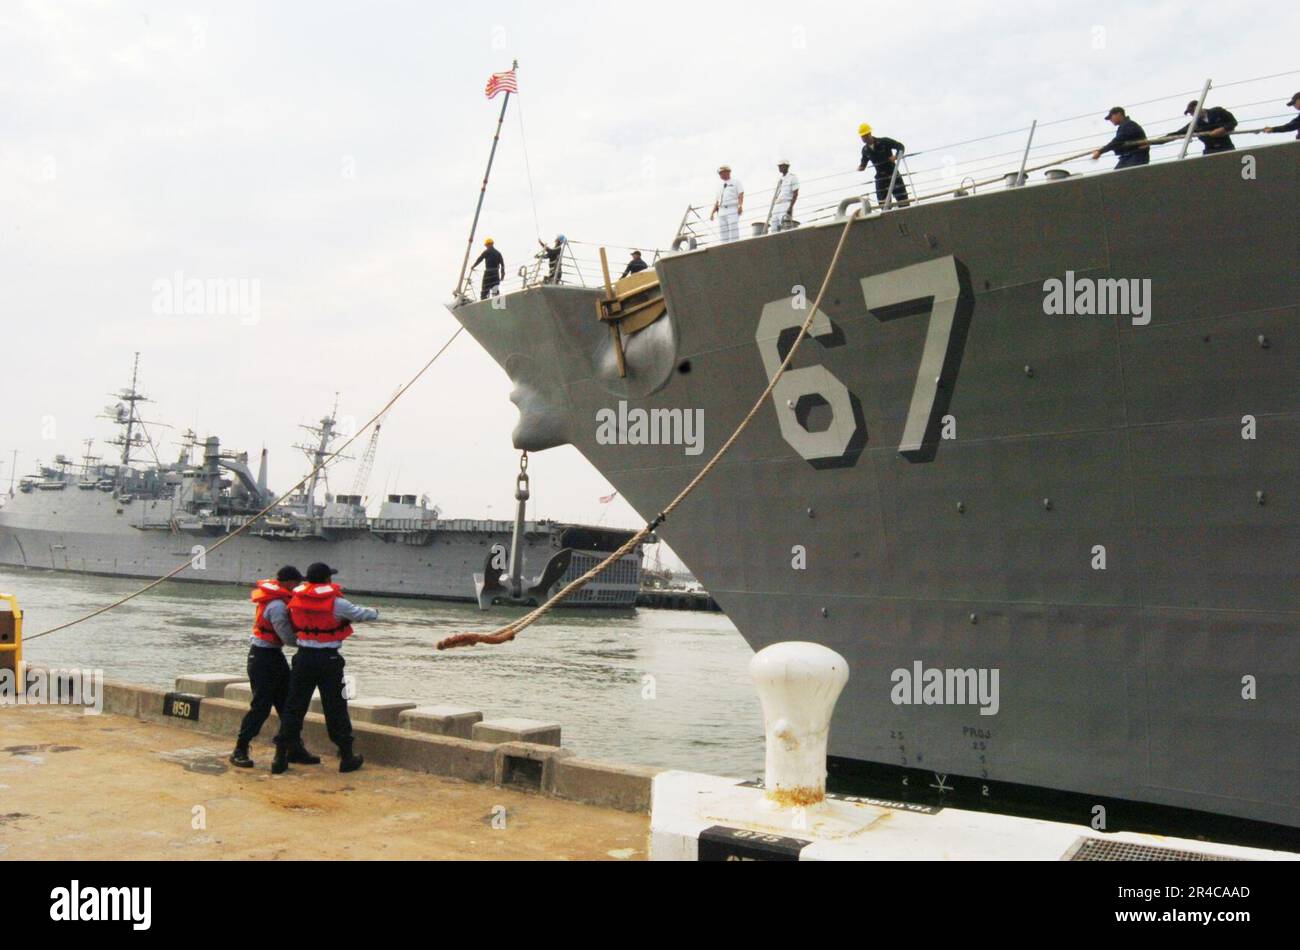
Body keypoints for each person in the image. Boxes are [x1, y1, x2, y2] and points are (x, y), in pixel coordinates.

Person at [272, 562, 379, 774]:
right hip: (329, 661)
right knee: (336, 707)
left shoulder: (295, 598)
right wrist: (376, 611)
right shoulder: (337, 603)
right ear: (327, 580)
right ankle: (346, 756)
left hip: (303, 660)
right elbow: (362, 614)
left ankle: (279, 757)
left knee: (293, 707)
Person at [229, 565, 321, 769]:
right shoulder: (277, 606)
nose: (299, 586)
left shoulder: (277, 601)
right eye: (297, 583)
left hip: (273, 657)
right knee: (261, 707)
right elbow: (287, 637)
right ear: (289, 582)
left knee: (288, 706)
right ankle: (240, 749)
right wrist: (313, 640)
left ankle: (294, 748)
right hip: (263, 659)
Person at [857, 124, 910, 208]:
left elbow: (900, 146)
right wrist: (861, 167)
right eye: (863, 136)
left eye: (866, 136)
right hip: (880, 177)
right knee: (883, 204)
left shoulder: (884, 141)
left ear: (870, 134)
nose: (864, 138)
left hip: (892, 173)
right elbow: (864, 161)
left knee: (903, 200)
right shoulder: (865, 150)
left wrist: (896, 156)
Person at [1168, 99, 1237, 154]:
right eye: (1191, 113)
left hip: (1227, 147)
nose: (1192, 114)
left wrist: (1223, 129)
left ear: (1199, 107)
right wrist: (1158, 141)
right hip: (1210, 151)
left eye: (1193, 111)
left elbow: (1233, 122)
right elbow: (1177, 134)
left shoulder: (1217, 112)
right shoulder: (1194, 125)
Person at [709, 165, 744, 243]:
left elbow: (740, 195)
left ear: (728, 172)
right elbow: (717, 201)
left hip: (732, 208)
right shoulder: (719, 185)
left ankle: (735, 245)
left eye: (722, 173)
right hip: (721, 210)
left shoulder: (736, 182)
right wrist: (712, 213)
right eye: (720, 173)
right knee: (723, 232)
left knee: (733, 229)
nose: (721, 175)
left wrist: (740, 206)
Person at [769, 160, 800, 232]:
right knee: (773, 227)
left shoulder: (792, 177)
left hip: (786, 203)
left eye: (781, 166)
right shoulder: (780, 179)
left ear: (786, 166)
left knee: (784, 226)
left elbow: (795, 193)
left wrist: (790, 207)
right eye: (779, 166)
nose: (779, 168)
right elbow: (776, 195)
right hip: (777, 205)